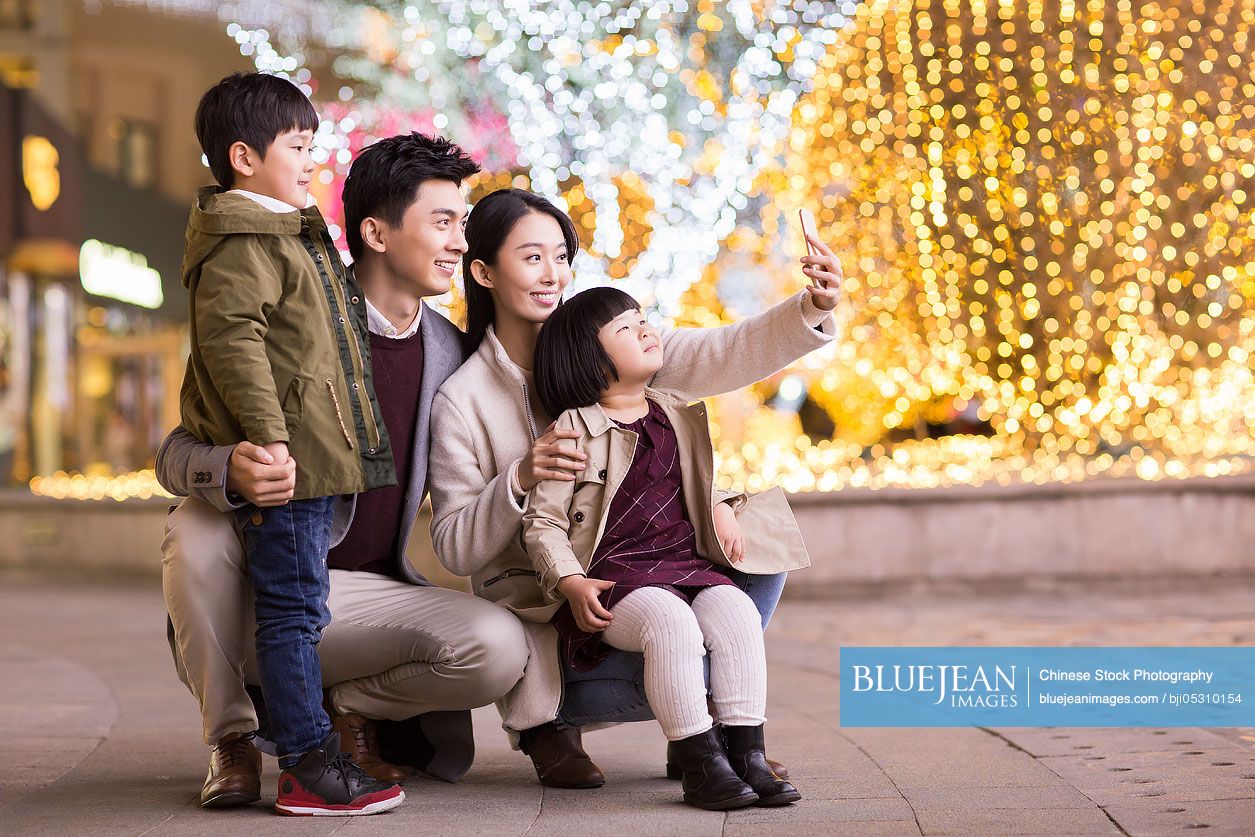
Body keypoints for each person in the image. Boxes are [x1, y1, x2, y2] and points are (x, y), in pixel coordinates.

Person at [157, 132, 527, 808]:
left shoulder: (449, 346)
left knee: (499, 645)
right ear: (376, 233)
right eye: (442, 222)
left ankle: (342, 708)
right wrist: (228, 468)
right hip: (264, 586)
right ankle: (231, 739)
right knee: (194, 525)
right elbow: (175, 452)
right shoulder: (287, 315)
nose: (458, 242)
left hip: (366, 594)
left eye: (462, 225)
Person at [427, 188, 843, 788]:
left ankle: (714, 732)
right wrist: (519, 478)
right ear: (484, 271)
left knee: (753, 543)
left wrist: (811, 305)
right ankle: (553, 725)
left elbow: (722, 350)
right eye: (531, 257)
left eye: (561, 255)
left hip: (655, 563)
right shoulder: (463, 398)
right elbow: (454, 547)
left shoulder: (614, 340)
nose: (554, 274)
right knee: (662, 619)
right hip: (559, 592)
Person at [178, 71, 403, 817]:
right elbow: (233, 344)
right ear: (244, 156)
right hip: (290, 466)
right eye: (298, 145)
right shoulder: (245, 240)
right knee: (292, 610)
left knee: (297, 607)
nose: (312, 158)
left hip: (307, 458)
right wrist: (270, 440)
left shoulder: (287, 231)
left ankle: (309, 749)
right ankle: (309, 763)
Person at [523, 286, 806, 809]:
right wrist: (569, 579)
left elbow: (693, 483)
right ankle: (699, 762)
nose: (647, 330)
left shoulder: (675, 414)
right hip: (616, 580)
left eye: (643, 319)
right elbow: (543, 521)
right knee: (669, 623)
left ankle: (745, 751)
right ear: (591, 357)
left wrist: (720, 504)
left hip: (684, 567)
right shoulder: (573, 430)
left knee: (737, 609)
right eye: (626, 329)